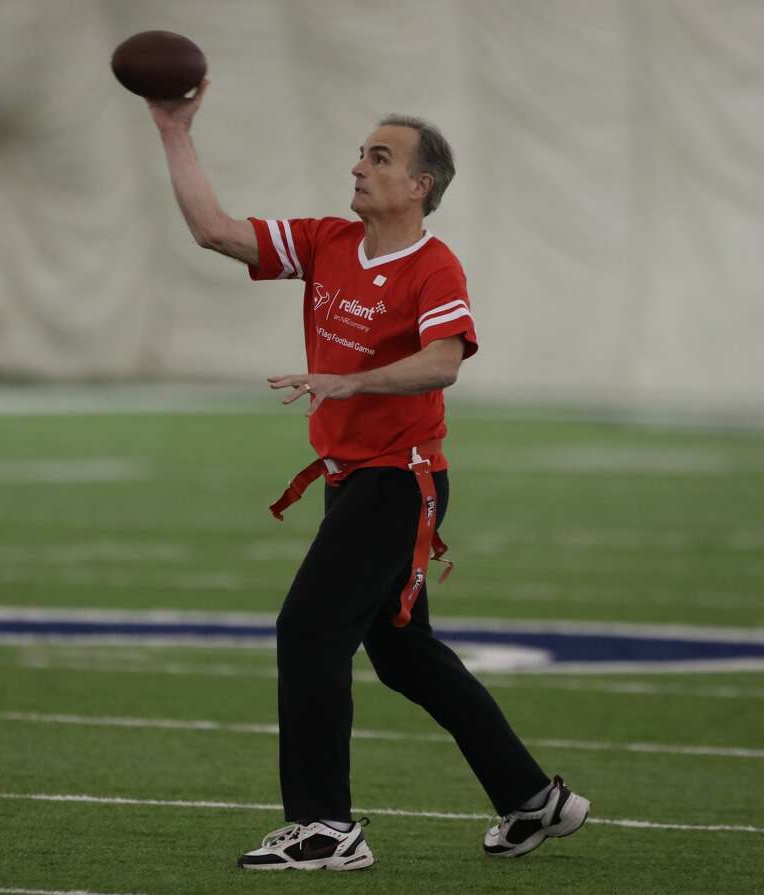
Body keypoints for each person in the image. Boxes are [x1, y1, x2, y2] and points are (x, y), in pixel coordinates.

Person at [145, 83, 589, 870]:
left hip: (398, 482)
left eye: (378, 157)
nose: (357, 166)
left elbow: (446, 359)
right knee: (402, 652)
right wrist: (174, 130)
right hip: (356, 479)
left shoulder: (432, 264)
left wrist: (356, 380)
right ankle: (533, 798)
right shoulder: (328, 241)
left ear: (419, 186)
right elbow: (215, 231)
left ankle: (325, 826)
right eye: (360, 152)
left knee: (309, 627)